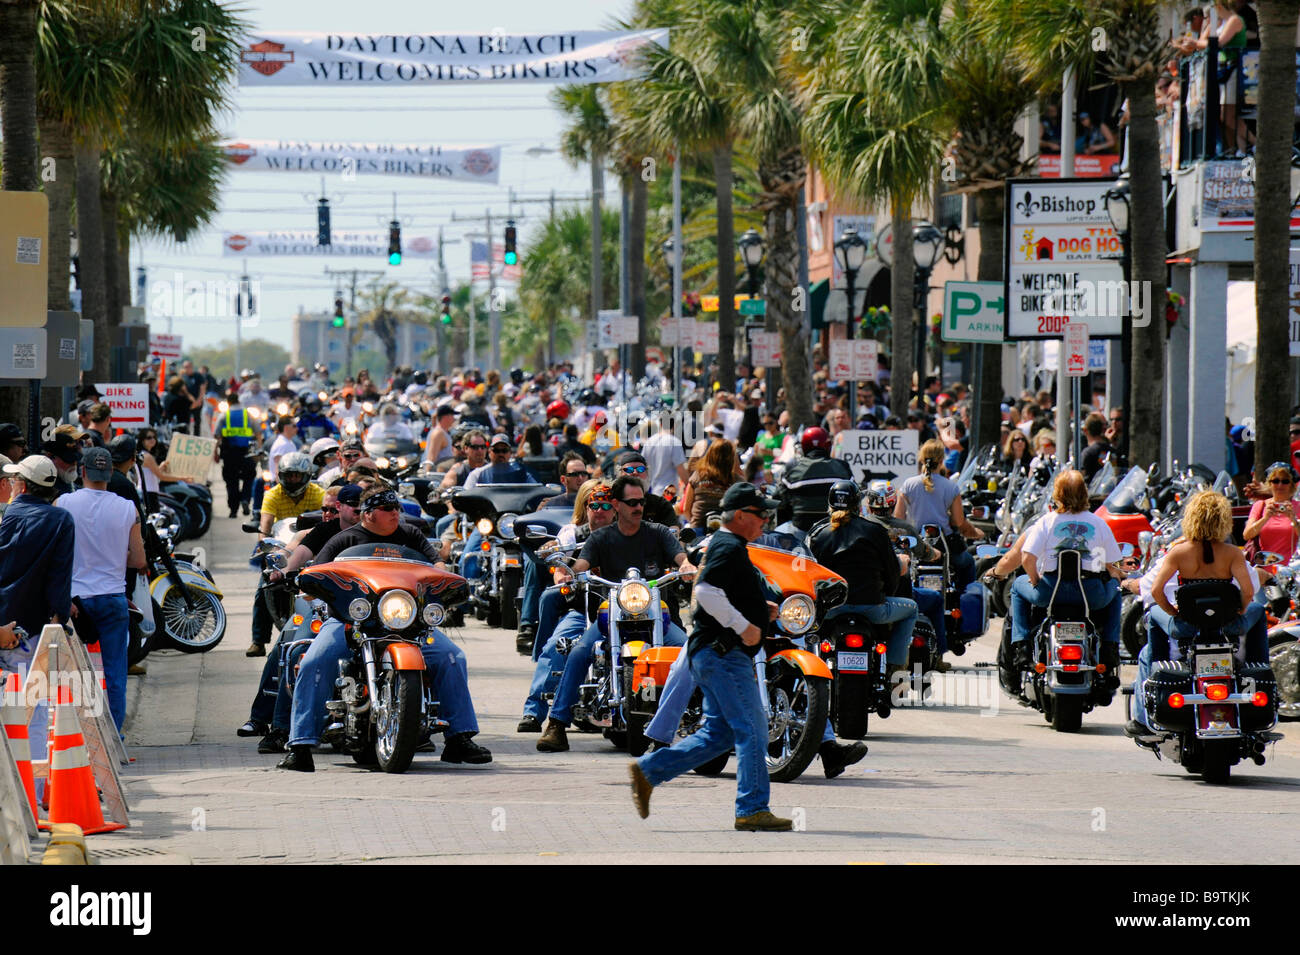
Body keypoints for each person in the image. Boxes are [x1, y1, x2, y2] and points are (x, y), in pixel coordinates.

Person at [277, 487, 492, 771]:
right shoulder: (345, 538)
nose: (395, 513)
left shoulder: (411, 536)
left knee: (452, 657)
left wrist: (446, 577)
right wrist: (305, 581)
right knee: (315, 661)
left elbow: (437, 562)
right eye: (388, 509)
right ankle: (300, 745)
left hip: (407, 622)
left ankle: (459, 738)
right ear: (368, 515)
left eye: (397, 508)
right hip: (349, 622)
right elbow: (318, 569)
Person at [628, 483, 793, 831]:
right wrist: (744, 625)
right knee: (752, 730)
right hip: (724, 653)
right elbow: (704, 591)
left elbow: (718, 589)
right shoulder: (729, 546)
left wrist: (758, 609)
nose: (766, 519)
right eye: (760, 513)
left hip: (713, 654)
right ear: (742, 515)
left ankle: (649, 771)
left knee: (719, 735)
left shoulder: (727, 545)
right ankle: (751, 808)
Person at [536, 475, 696, 753]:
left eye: (641, 502)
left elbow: (679, 555)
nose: (638, 507)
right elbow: (583, 563)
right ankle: (557, 724)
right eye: (631, 502)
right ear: (616, 505)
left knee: (690, 651)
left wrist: (685, 565)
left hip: (656, 611)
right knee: (580, 650)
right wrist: (568, 571)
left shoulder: (657, 532)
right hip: (612, 611)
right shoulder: (601, 537)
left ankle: (702, 720)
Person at [57, 447, 145, 734]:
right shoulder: (127, 509)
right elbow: (139, 560)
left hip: (74, 601)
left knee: (73, 671)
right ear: (111, 472)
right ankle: (115, 734)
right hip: (111, 597)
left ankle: (77, 732)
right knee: (115, 671)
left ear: (82, 471)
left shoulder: (63, 503)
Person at [0, 455, 75, 781]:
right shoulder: (60, 520)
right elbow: (59, 581)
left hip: (3, 622)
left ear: (21, 484)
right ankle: (35, 791)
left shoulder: (8, 515)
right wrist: (60, 619)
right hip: (31, 629)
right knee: (33, 708)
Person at [1008, 470, 1122, 679]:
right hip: (1091, 595)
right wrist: (1116, 576)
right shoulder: (1099, 523)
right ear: (1084, 493)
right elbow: (1112, 564)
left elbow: (1026, 559)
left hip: (1051, 592)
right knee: (1116, 587)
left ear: (1057, 494)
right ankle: (1110, 647)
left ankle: (1021, 646)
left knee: (1017, 587)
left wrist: (1035, 581)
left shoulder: (1047, 521)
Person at [518, 481, 615, 729]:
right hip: (583, 608)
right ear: (586, 507)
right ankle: (533, 711)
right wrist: (561, 573)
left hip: (624, 611)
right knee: (555, 648)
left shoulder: (629, 536)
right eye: (594, 505)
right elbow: (559, 565)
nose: (600, 511)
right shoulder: (573, 534)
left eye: (606, 505)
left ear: (616, 509)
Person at [811, 480, 920, 685]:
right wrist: (884, 595)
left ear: (829, 504)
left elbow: (810, 575)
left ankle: (810, 674)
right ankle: (895, 669)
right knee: (912, 609)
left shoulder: (818, 534)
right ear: (858, 505)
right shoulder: (875, 531)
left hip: (831, 610)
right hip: (873, 608)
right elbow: (892, 572)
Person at [247, 452, 323, 658]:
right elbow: (265, 526)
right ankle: (258, 641)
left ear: (306, 476)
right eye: (288, 476)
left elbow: (325, 523)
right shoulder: (272, 495)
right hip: (281, 548)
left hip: (310, 548)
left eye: (297, 476)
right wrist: (263, 546)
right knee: (263, 588)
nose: (292, 480)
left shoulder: (318, 494)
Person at [894, 439, 983, 587]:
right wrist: (976, 532)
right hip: (945, 548)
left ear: (921, 459)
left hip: (915, 547)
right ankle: (961, 604)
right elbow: (958, 522)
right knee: (968, 563)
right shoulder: (951, 487)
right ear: (942, 460)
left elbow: (898, 518)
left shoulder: (908, 485)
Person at [778, 426, 853, 531]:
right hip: (836, 530)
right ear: (828, 446)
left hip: (800, 530)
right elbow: (854, 499)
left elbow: (781, 501)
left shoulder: (792, 469)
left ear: (803, 447)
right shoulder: (843, 468)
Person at [215, 390, 259, 519]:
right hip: (246, 452)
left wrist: (215, 453)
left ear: (228, 403)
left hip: (229, 453)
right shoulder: (247, 414)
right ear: (239, 401)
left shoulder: (224, 416)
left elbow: (217, 436)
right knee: (249, 477)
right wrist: (258, 451)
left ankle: (233, 509)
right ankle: (245, 499)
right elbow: (258, 432)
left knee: (231, 481)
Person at [1242, 462, 1300, 559]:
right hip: (1264, 569)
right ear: (1270, 484)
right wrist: (1265, 518)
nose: (1280, 485)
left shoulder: (1298, 506)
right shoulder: (1260, 505)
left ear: (1292, 485)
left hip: (1292, 569)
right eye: (1276, 481)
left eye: (1285, 481)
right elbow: (1247, 535)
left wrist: (1293, 519)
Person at [683, 439, 739, 533]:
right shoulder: (736, 481)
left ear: (710, 454)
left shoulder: (697, 476)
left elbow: (686, 509)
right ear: (731, 457)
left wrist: (693, 521)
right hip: (726, 531)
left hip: (698, 528)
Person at [640, 423, 688, 497]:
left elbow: (642, 467)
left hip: (654, 491)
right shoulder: (674, 442)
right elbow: (680, 468)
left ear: (660, 424)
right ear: (674, 424)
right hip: (669, 492)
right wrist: (689, 485)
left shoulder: (649, 442)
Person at [1079, 412, 1112, 483]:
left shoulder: (1088, 452)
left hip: (1092, 492)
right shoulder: (1112, 450)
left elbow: (1081, 477)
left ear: (1085, 430)